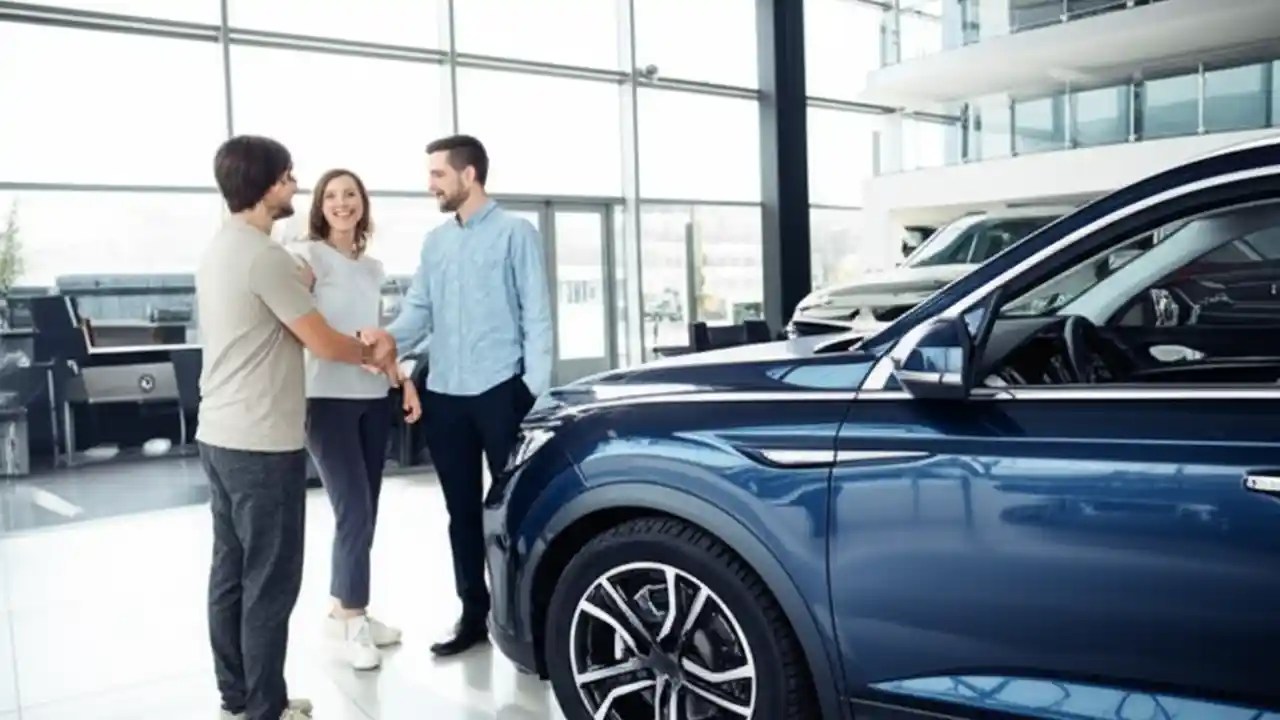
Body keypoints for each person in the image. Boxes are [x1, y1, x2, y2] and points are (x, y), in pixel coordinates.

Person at [197, 135, 400, 720]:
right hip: (261, 441)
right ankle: (265, 709)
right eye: (287, 178)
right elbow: (323, 341)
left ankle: (239, 699)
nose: (294, 187)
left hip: (220, 431)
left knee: (230, 575)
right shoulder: (268, 257)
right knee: (269, 583)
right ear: (266, 187)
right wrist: (379, 356)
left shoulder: (222, 248)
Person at [385, 134, 553, 657]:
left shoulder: (515, 233)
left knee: (515, 510)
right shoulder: (436, 243)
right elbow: (418, 311)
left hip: (501, 392)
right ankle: (473, 615)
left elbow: (538, 315)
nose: (430, 184)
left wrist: (532, 391)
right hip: (446, 398)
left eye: (437, 174)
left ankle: (528, 615)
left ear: (469, 174)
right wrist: (384, 341)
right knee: (461, 514)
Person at [288, 168, 422, 671]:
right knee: (353, 511)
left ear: (363, 204)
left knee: (367, 511)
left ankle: (345, 610)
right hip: (325, 401)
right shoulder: (308, 258)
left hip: (372, 398)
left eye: (350, 195)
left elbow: (375, 338)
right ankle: (351, 619)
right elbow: (296, 319)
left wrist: (402, 378)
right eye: (331, 196)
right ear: (319, 206)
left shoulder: (372, 267)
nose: (341, 203)